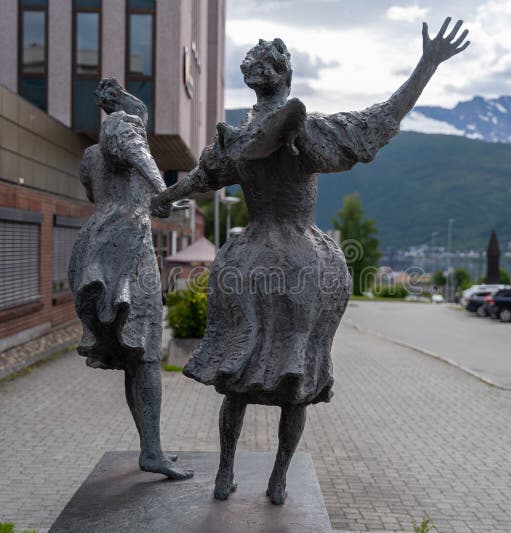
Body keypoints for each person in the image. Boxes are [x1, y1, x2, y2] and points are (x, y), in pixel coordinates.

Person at [153, 18, 469, 504]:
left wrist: (166, 196)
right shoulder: (304, 131)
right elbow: (378, 124)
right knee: (297, 371)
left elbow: (200, 178)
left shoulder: (241, 139)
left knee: (241, 370)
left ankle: (227, 473)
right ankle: (277, 479)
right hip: (302, 261)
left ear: (268, 75)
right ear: (284, 75)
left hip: (249, 258)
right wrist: (425, 68)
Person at [69, 79, 193, 480]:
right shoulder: (126, 126)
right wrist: (164, 194)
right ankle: (151, 452)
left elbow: (99, 195)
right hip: (128, 249)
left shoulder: (90, 156)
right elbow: (140, 161)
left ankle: (150, 448)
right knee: (147, 356)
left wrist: (145, 201)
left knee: (134, 359)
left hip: (97, 245)